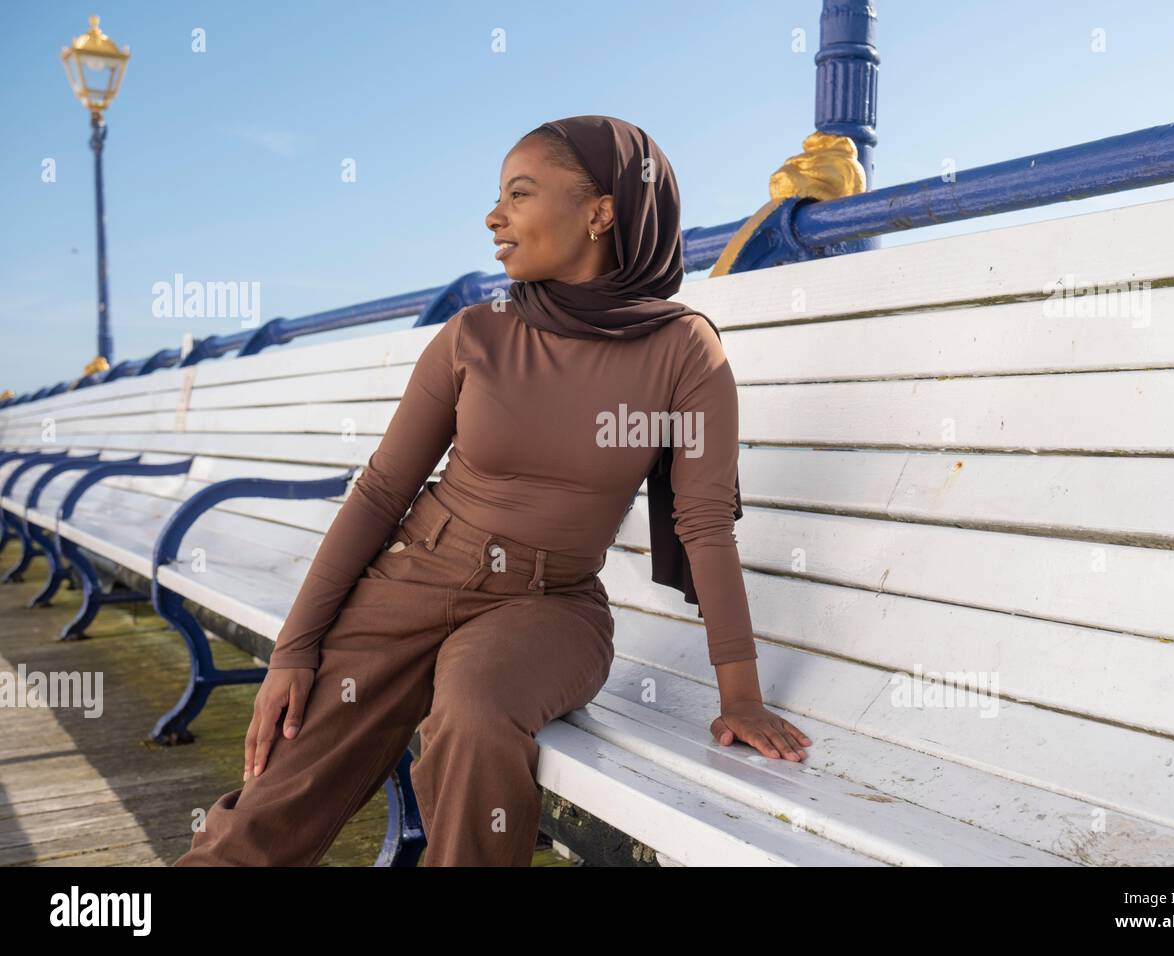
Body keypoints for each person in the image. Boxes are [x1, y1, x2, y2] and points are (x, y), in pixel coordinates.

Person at [173, 114, 812, 868]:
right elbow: (382, 493)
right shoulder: (477, 332)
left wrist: (738, 695)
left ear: (602, 210)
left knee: (474, 719)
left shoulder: (683, 352)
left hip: (546, 607)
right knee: (278, 786)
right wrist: (295, 648)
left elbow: (704, 525)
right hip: (412, 574)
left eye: (520, 192)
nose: (493, 215)